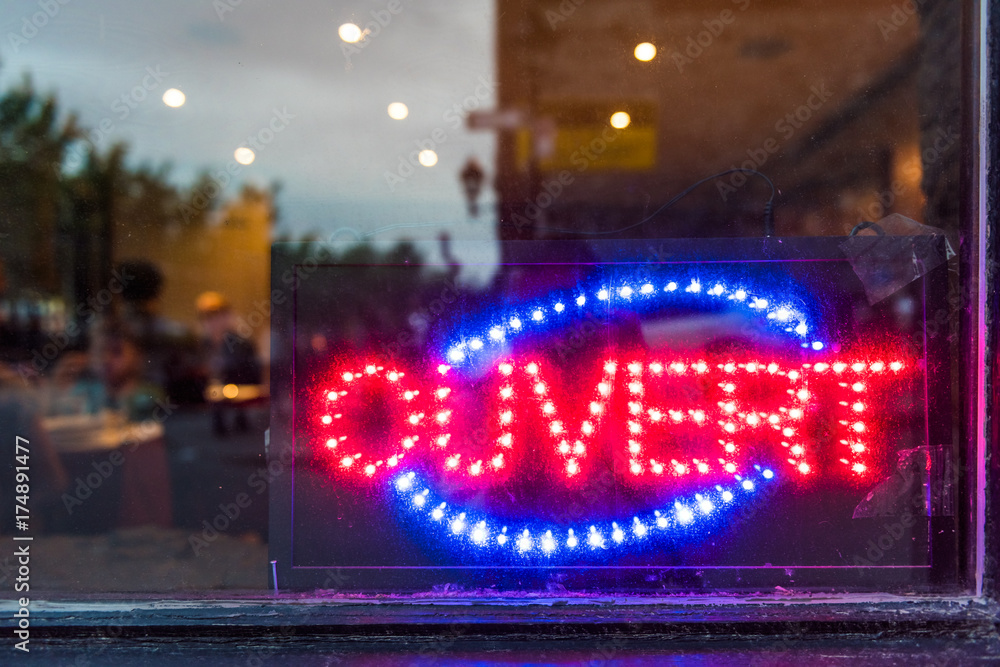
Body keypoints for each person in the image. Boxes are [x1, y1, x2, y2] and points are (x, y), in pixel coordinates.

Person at [196, 291, 261, 435]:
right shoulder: (203, 344)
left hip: (238, 392)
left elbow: (251, 370)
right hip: (212, 396)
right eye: (207, 317)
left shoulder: (240, 342)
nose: (212, 322)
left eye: (215, 316)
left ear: (226, 316)